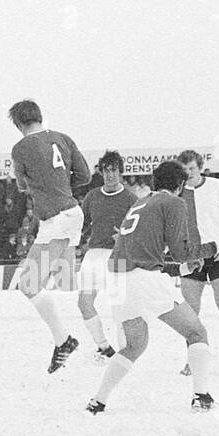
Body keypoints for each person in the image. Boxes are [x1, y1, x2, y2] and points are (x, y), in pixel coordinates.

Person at [86, 160, 214, 413]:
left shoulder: (141, 202)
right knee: (196, 333)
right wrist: (213, 249)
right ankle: (201, 397)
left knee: (134, 346)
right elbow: (180, 252)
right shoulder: (174, 202)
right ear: (179, 185)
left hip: (118, 278)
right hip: (142, 276)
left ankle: (97, 401)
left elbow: (157, 252)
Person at [8, 99, 92, 372]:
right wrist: (60, 185)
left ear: (19, 124)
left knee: (29, 284)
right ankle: (72, 340)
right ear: (40, 117)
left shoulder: (21, 148)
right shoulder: (63, 138)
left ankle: (64, 340)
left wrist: (44, 186)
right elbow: (85, 176)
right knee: (61, 278)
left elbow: (22, 184)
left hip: (55, 218)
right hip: (71, 214)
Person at [177, 148, 219, 373]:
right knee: (190, 314)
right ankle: (192, 360)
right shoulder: (177, 193)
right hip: (191, 257)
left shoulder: (217, 186)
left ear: (201, 168)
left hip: (218, 255)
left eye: (192, 169)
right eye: (184, 170)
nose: (188, 173)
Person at [77, 151, 135, 360]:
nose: (110, 175)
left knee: (119, 308)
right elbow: (81, 226)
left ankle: (123, 353)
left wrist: (124, 236)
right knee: (84, 303)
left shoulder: (130, 198)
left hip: (118, 256)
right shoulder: (92, 196)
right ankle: (103, 347)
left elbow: (138, 229)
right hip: (93, 255)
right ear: (101, 172)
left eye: (114, 171)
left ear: (121, 173)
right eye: (106, 171)